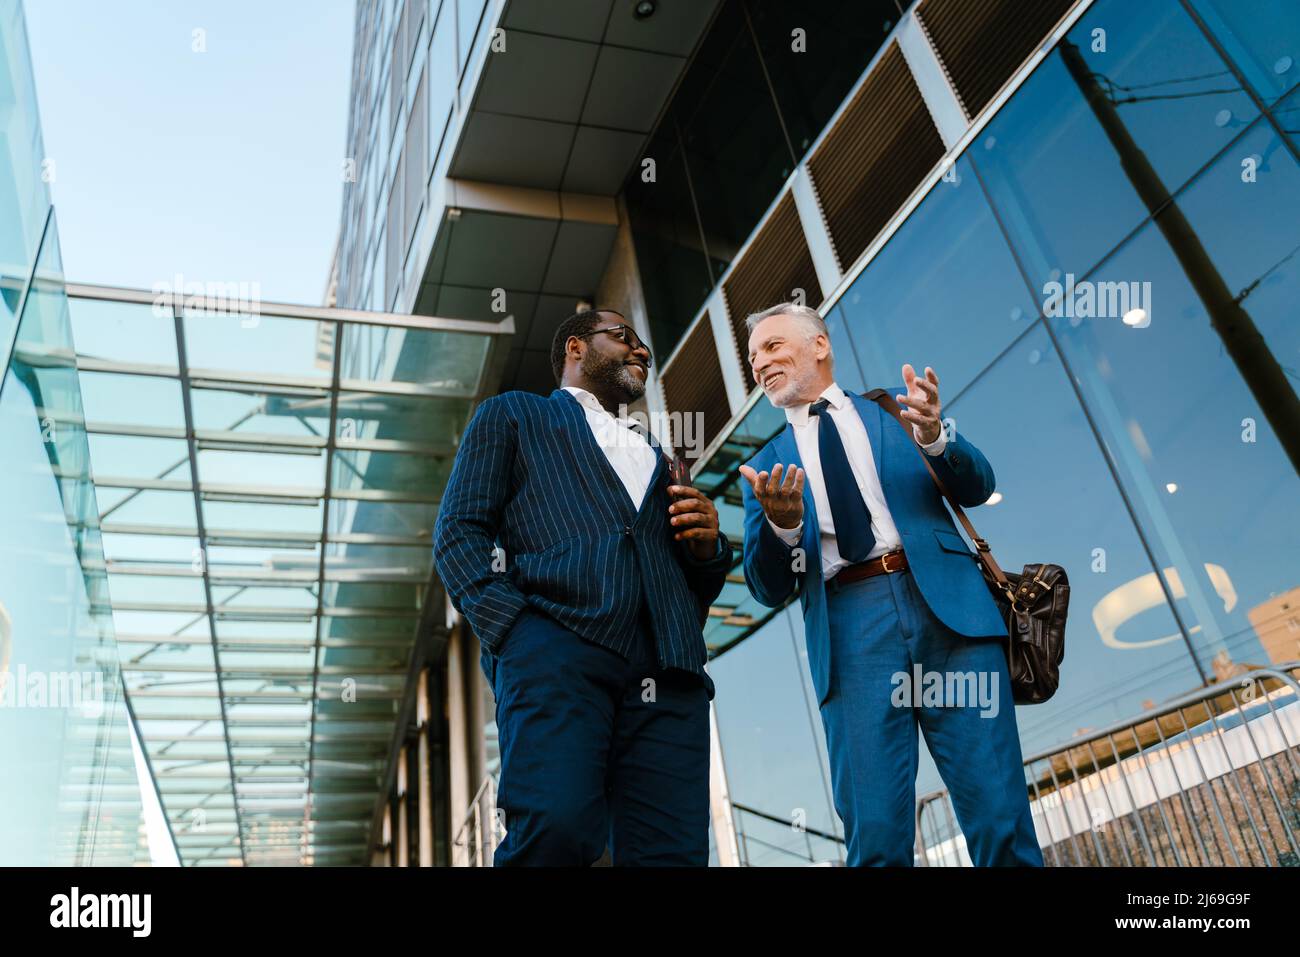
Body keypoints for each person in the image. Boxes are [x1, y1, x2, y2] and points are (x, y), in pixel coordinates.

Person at [737, 302, 1042, 867]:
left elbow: (978, 485)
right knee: (875, 835)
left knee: (999, 812)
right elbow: (765, 586)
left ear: (819, 346)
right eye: (753, 356)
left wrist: (934, 439)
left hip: (949, 615)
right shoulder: (765, 466)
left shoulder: (897, 416)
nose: (760, 363)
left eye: (773, 346)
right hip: (851, 631)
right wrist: (781, 526)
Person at [434, 308, 730, 866]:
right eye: (624, 338)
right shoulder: (514, 415)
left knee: (672, 858)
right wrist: (518, 635)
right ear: (576, 348)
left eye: (644, 344)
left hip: (668, 672)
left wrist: (707, 548)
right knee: (556, 832)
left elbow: (693, 586)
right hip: (556, 651)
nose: (641, 351)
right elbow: (458, 532)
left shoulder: (666, 460)